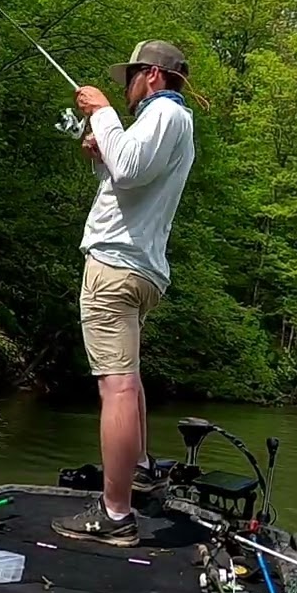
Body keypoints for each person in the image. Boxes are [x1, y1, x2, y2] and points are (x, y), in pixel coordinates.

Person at [50, 40, 197, 547]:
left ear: (152, 75)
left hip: (114, 268)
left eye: (130, 77)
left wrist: (103, 114)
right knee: (128, 381)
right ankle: (135, 471)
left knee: (115, 388)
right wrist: (100, 150)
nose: (124, 87)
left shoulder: (162, 114)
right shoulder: (172, 124)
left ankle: (114, 515)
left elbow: (131, 168)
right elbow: (126, 176)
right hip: (142, 272)